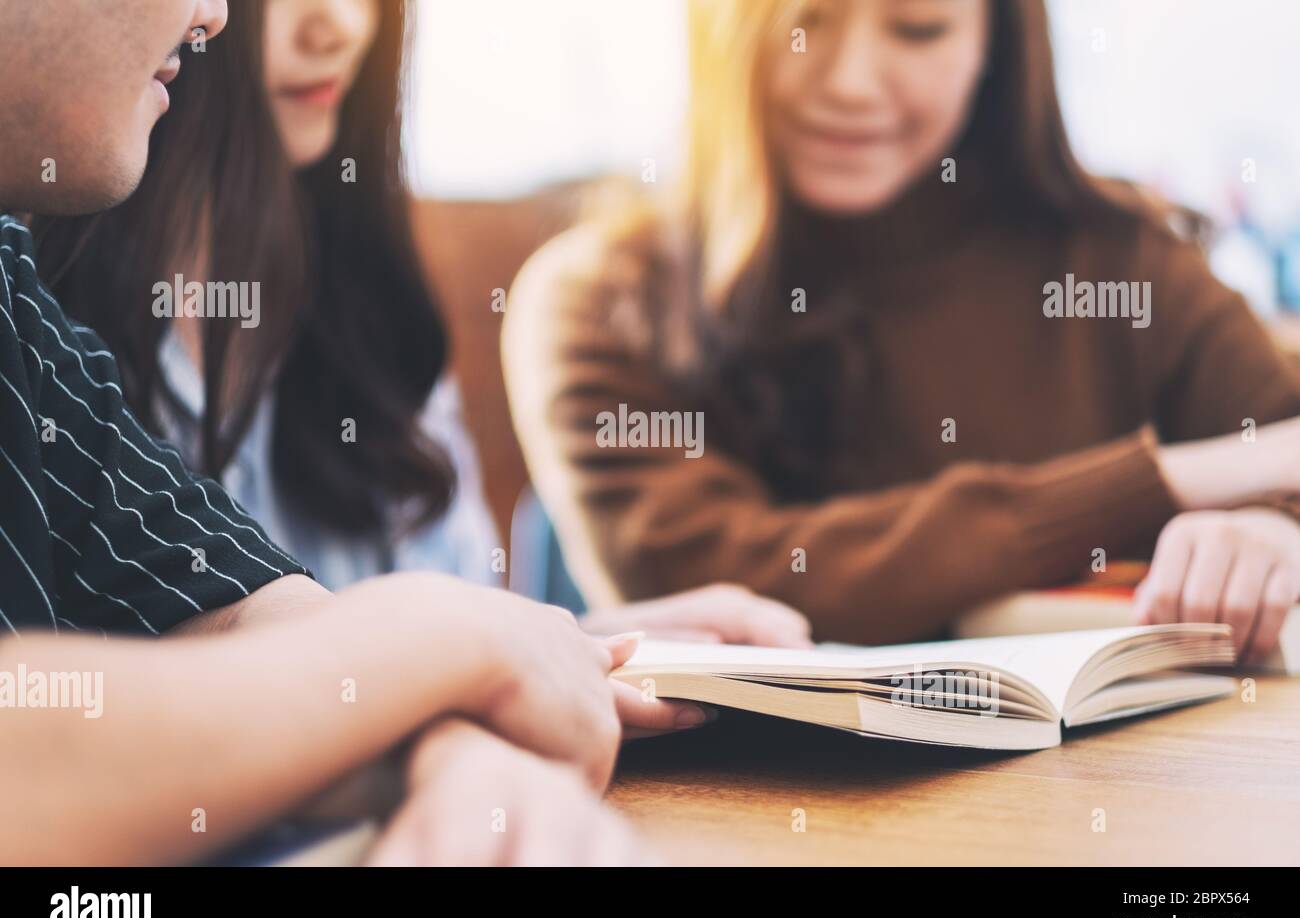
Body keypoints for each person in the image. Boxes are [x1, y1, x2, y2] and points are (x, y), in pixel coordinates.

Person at [0, 0, 652, 867]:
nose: (211, 16)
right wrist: (453, 645)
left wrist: (453, 747)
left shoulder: (17, 311)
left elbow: (236, 606)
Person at [503, 0, 1300, 663]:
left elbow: (1282, 449)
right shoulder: (597, 298)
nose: (849, 83)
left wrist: (1270, 531)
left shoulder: (1121, 256)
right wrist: (1168, 480)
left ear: (997, 39)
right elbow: (721, 584)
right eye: (804, 18)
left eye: (918, 27)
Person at [34, 0, 813, 653]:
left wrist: (582, 648)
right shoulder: (40, 330)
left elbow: (429, 638)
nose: (340, 25)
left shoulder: (367, 305)